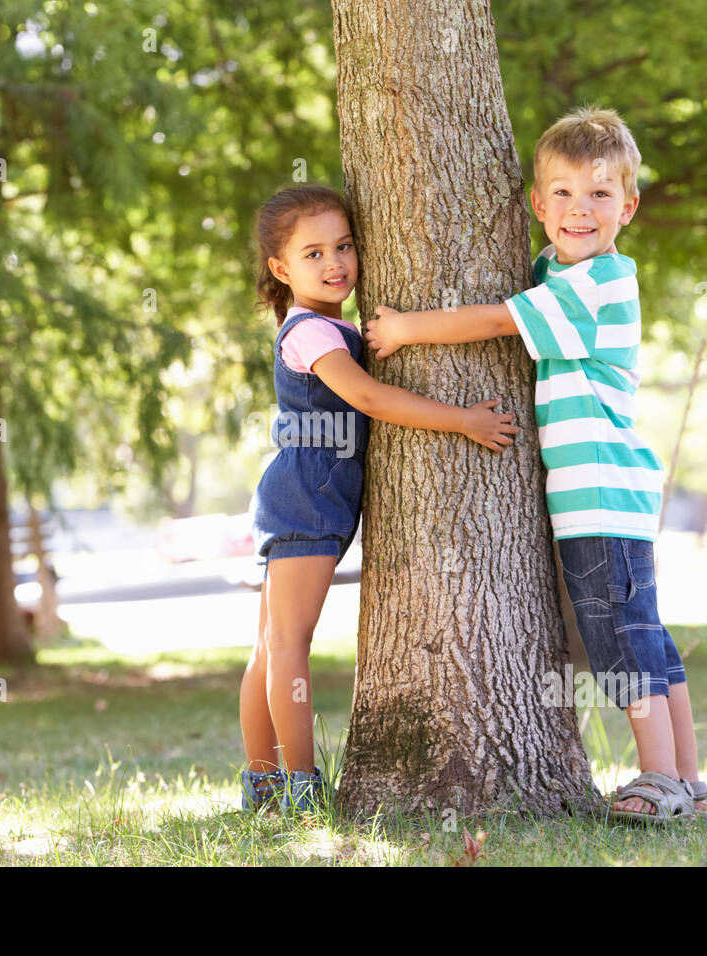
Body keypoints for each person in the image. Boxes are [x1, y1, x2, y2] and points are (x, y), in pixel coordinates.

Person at [365, 107, 707, 824]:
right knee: (644, 632)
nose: (578, 209)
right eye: (561, 193)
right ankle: (686, 775)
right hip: (607, 491)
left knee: (621, 639)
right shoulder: (558, 269)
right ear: (536, 203)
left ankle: (659, 776)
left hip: (599, 492)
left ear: (629, 206)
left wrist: (405, 329)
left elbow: (496, 320)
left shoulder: (599, 283)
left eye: (599, 195)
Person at [241, 184, 518, 813]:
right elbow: (367, 398)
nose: (334, 262)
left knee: (270, 645)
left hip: (308, 497)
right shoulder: (312, 334)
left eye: (343, 246)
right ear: (281, 270)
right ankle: (299, 788)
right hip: (306, 497)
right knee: (286, 646)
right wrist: (461, 420)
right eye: (312, 254)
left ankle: (262, 788)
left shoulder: (332, 322)